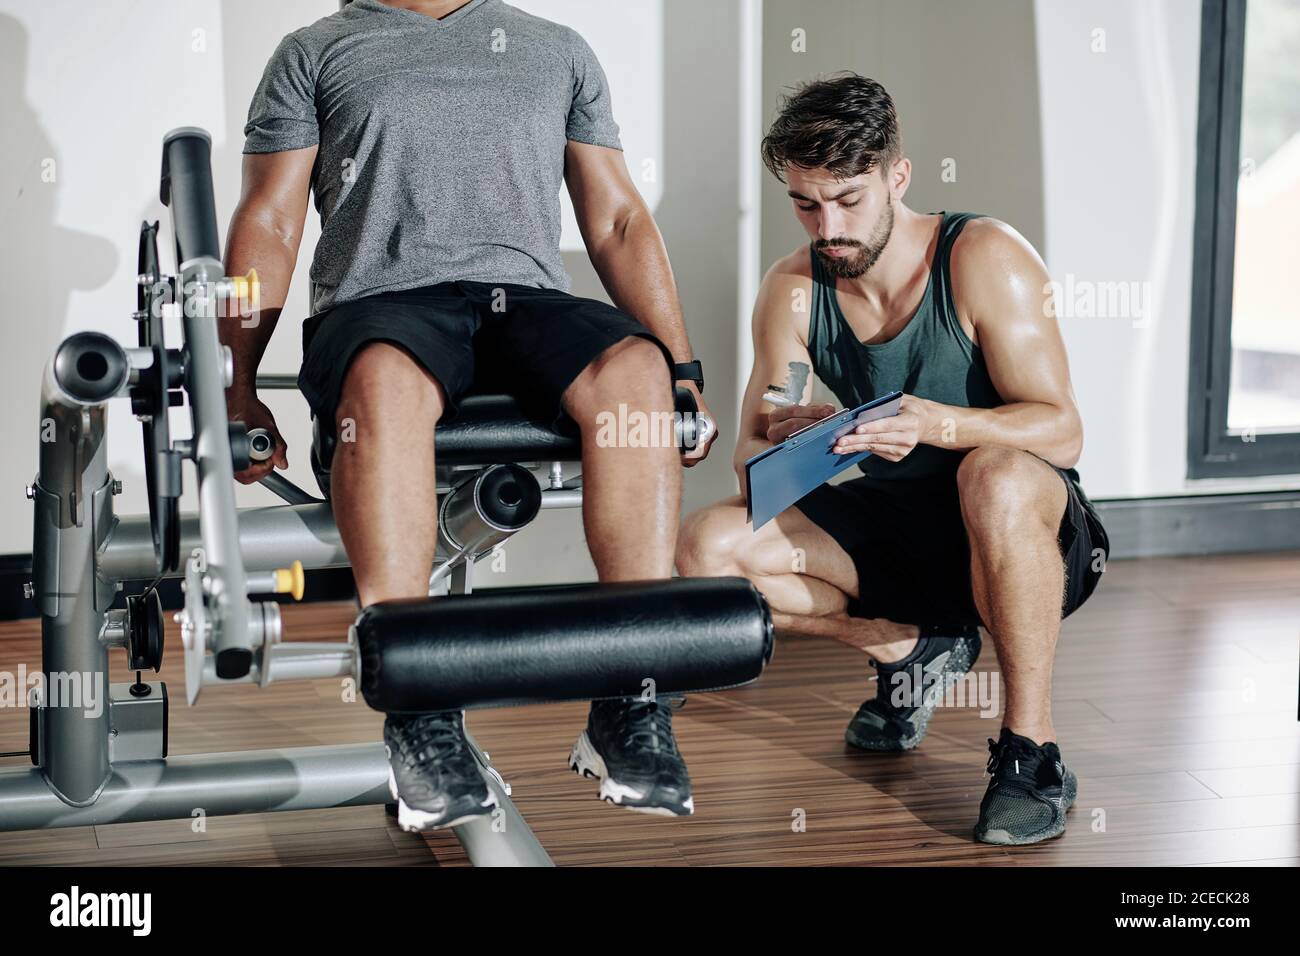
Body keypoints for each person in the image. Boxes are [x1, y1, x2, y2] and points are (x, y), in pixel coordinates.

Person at [222, 0, 716, 830]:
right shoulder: (315, 52)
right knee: (383, 378)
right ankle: (418, 709)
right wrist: (234, 381)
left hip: (526, 302)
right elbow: (270, 217)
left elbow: (619, 217)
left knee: (636, 369)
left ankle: (631, 697)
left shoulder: (557, 49)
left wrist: (683, 366)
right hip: (384, 306)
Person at [676, 74, 1109, 846]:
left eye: (848, 200)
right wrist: (799, 437)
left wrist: (938, 424)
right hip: (902, 534)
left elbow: (1064, 431)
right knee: (705, 547)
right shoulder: (793, 291)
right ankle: (910, 646)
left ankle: (1032, 754)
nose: (827, 226)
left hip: (1026, 534)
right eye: (806, 204)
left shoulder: (983, 257)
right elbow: (748, 456)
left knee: (994, 473)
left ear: (897, 178)